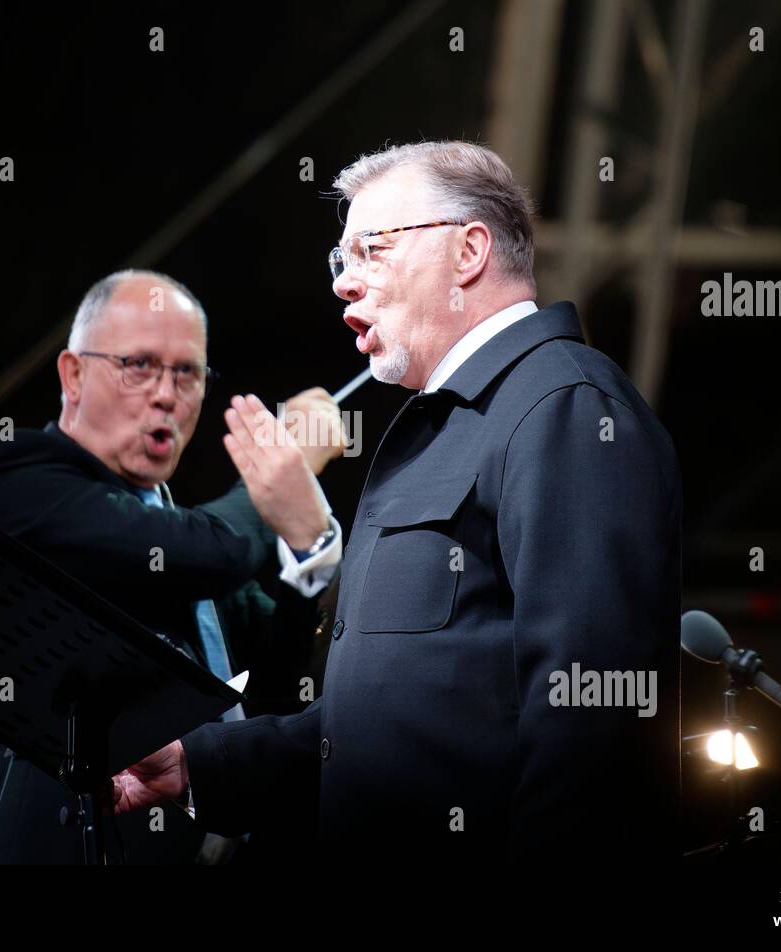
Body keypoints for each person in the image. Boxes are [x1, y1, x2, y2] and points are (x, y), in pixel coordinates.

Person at [112, 142, 683, 864]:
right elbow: (384, 724)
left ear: (469, 250)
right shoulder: (443, 427)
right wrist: (203, 764)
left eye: (371, 250)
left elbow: (593, 716)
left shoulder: (562, 405)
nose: (345, 284)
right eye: (340, 261)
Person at [0, 269, 345, 863]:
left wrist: (308, 554)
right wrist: (280, 470)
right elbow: (207, 552)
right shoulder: (17, 477)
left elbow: (275, 693)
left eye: (187, 372)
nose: (167, 393)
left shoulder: (179, 536)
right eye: (138, 364)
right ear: (74, 374)